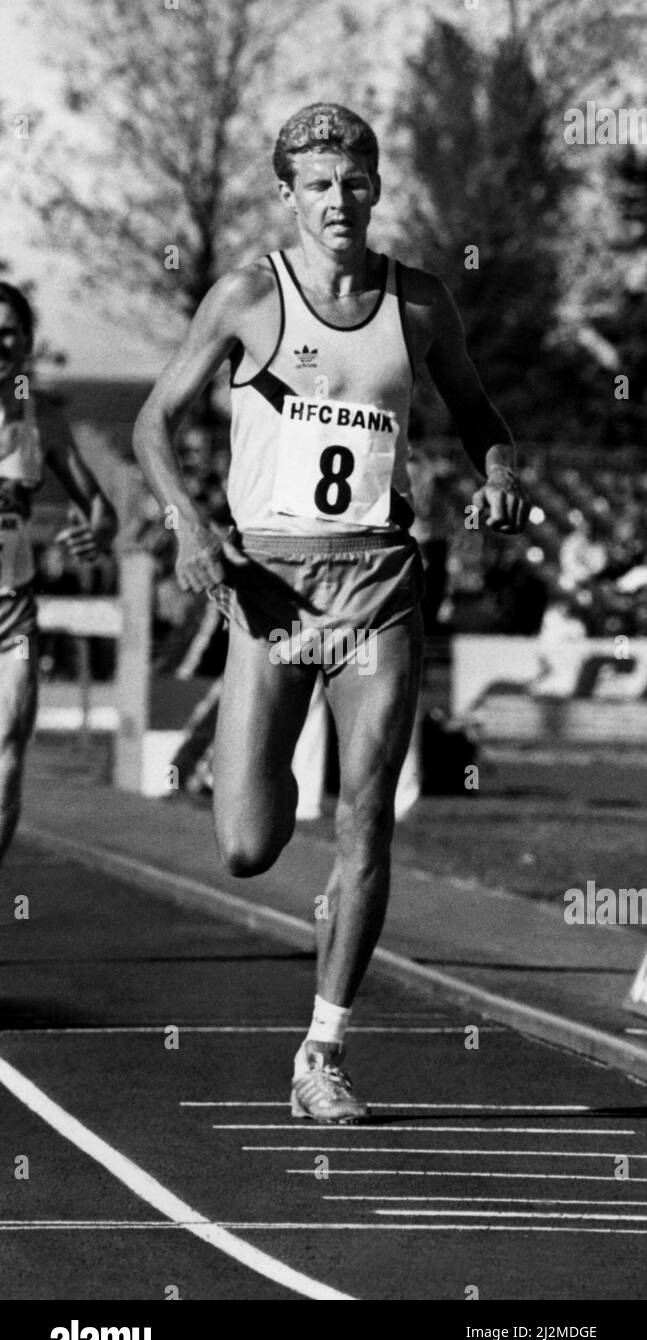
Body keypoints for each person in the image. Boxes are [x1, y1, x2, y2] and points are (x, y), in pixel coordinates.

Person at [133, 103, 529, 1123]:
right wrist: (186, 524)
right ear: (288, 196)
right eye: (317, 184)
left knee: (364, 815)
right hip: (267, 588)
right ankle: (316, 879)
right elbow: (151, 422)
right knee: (245, 844)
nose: (338, 200)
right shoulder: (247, 297)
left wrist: (499, 472)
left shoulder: (423, 305)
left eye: (354, 181)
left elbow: (482, 416)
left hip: (379, 585)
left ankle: (322, 1051)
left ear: (376, 186)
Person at [0, 282, 117, 862]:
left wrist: (95, 533)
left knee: (6, 759)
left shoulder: (41, 420)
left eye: (7, 333)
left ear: (25, 344)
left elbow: (103, 512)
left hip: (11, 615)